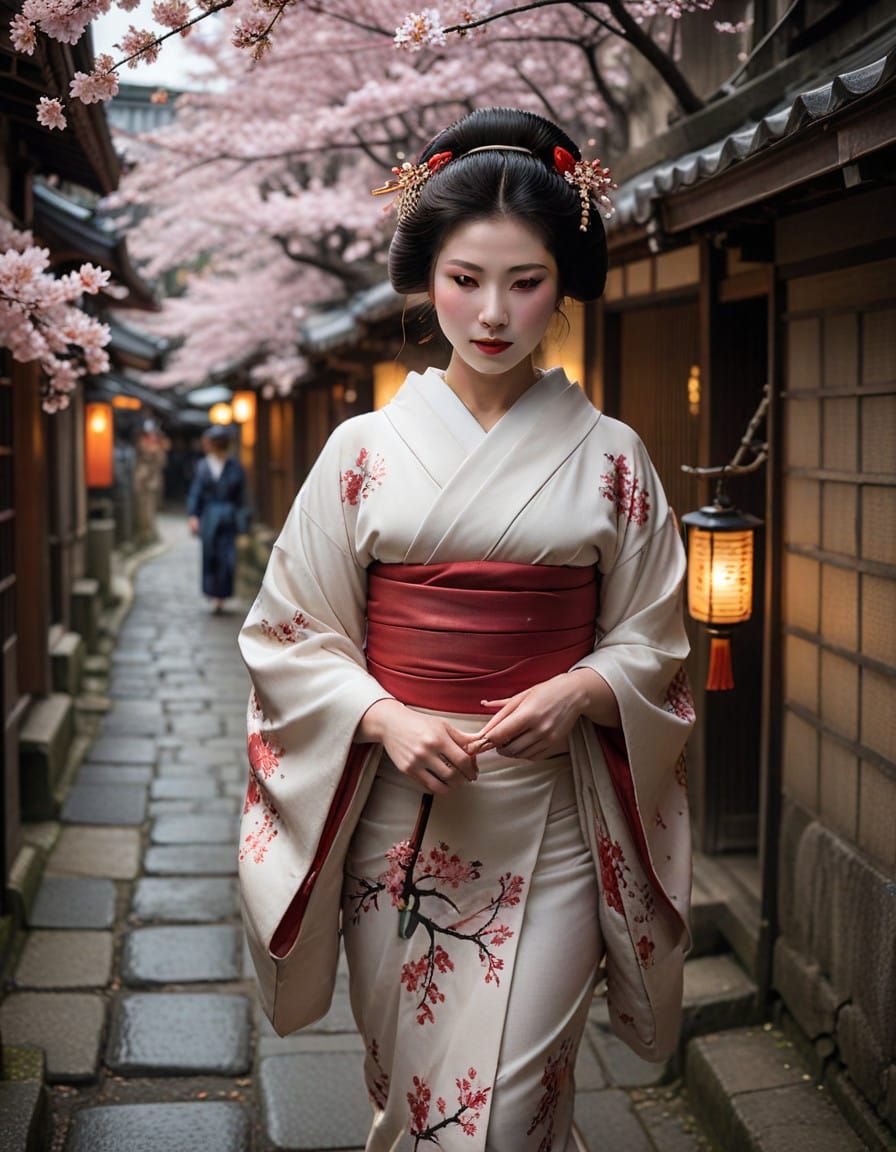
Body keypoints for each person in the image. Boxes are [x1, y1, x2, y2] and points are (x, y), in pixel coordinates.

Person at [238, 107, 695, 1151]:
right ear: (423, 277)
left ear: (563, 283)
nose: (493, 312)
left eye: (526, 282)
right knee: (417, 1090)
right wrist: (379, 716)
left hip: (556, 818)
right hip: (398, 812)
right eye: (464, 279)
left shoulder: (612, 457)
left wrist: (585, 689)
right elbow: (287, 634)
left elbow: (654, 643)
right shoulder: (361, 448)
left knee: (498, 1114)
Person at [187, 424, 247, 613]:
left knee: (227, 556)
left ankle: (222, 595)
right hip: (210, 515)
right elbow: (196, 492)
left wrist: (242, 522)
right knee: (210, 555)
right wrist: (193, 515)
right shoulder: (203, 466)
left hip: (228, 515)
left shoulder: (235, 466)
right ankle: (213, 594)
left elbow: (241, 498)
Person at [132, 418, 170, 545]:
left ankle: (149, 533)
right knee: (142, 510)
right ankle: (144, 534)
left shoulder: (157, 448)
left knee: (149, 509)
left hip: (152, 483)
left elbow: (162, 462)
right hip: (142, 482)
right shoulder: (143, 445)